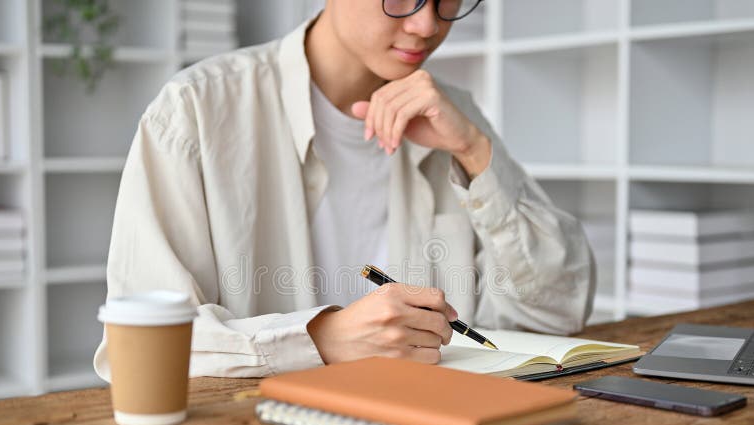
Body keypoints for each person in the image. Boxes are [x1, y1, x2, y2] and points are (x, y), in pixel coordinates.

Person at [93, 0, 595, 380]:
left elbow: (558, 308)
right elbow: (138, 347)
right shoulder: (197, 110)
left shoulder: (452, 114)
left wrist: (476, 153)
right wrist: (320, 339)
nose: (428, 26)